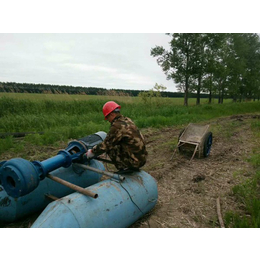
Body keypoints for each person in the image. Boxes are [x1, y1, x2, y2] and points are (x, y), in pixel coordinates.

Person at [85, 101, 148, 172]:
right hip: (142, 159)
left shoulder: (117, 126)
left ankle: (124, 167)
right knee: (115, 144)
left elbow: (105, 145)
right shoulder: (127, 120)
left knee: (110, 148)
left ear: (112, 114)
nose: (108, 120)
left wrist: (92, 151)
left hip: (134, 162)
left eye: (107, 117)